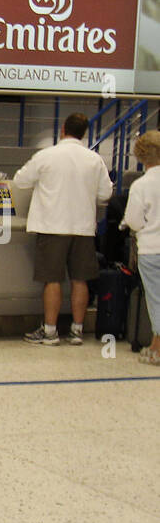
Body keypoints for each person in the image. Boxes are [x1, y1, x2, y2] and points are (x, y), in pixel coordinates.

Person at [12, 113, 112, 347]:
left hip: (52, 226)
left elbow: (20, 181)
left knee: (52, 280)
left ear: (63, 129)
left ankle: (50, 331)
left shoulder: (46, 156)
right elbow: (105, 194)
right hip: (83, 228)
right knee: (80, 280)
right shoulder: (94, 159)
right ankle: (77, 331)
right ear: (83, 133)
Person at [122, 130, 160, 365]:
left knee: (156, 299)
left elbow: (133, 220)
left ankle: (158, 347)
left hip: (151, 248)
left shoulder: (141, 184)